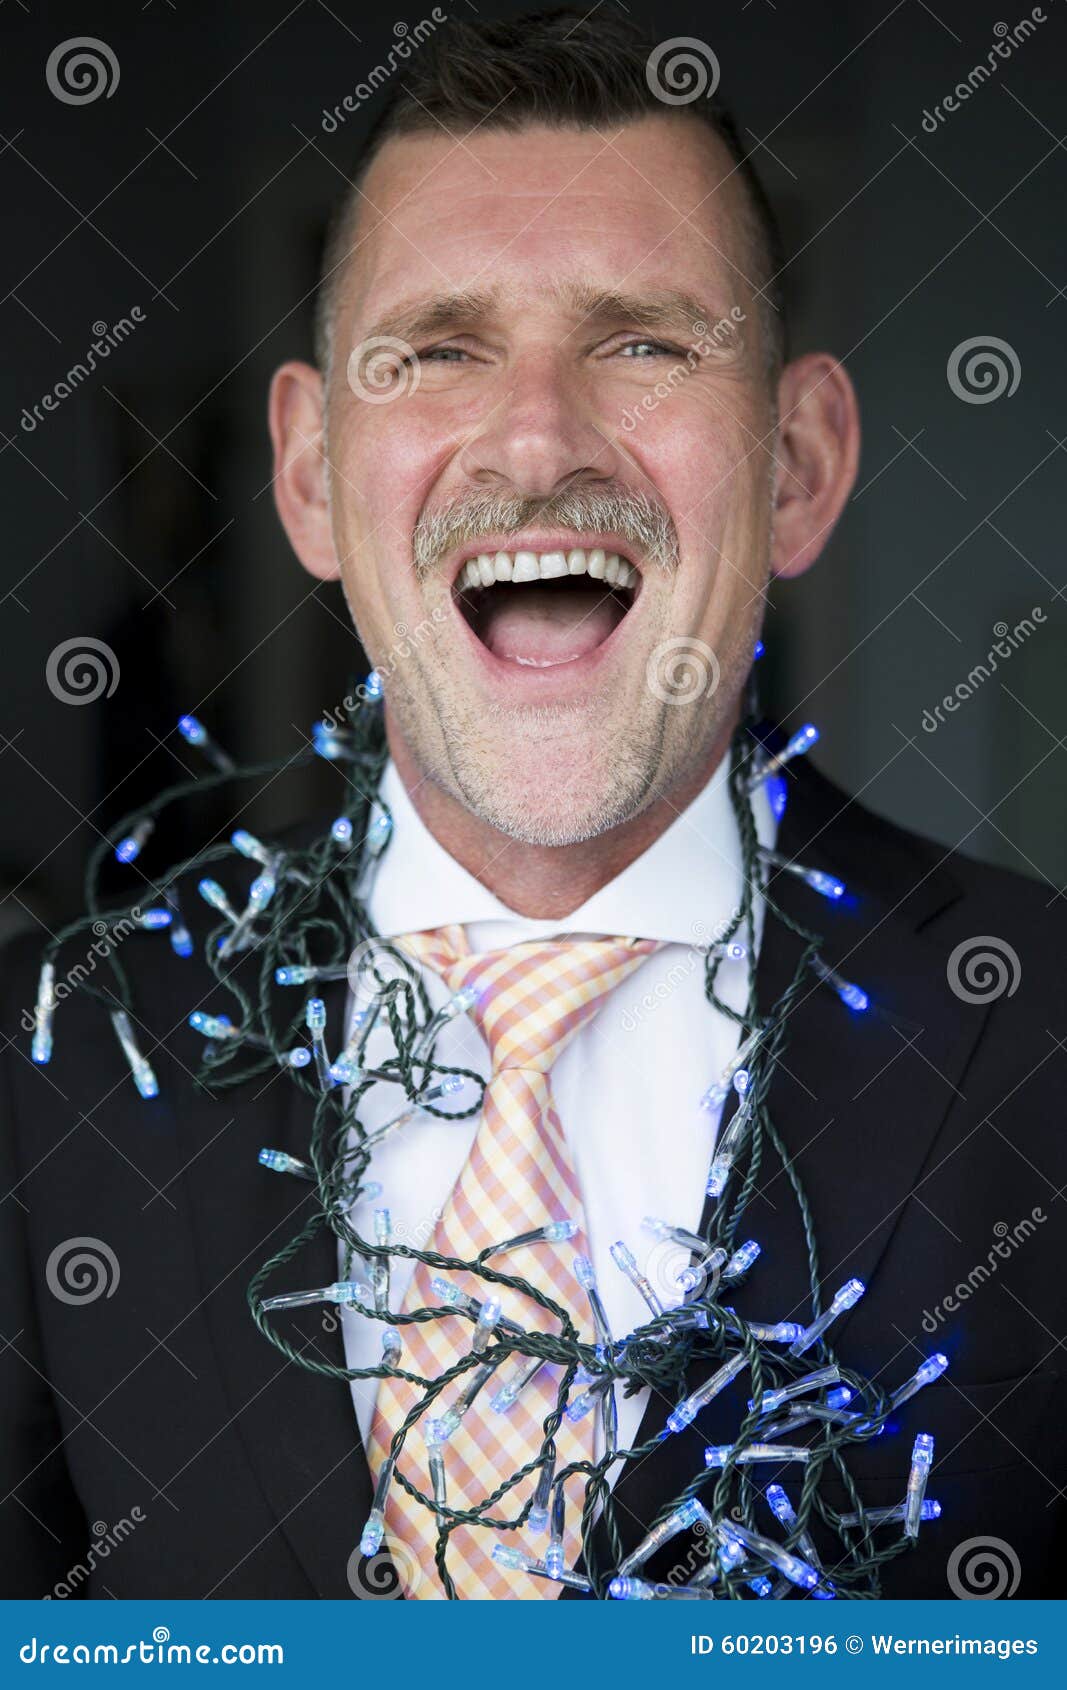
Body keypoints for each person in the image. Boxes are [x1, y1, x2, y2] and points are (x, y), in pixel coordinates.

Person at [2, 10, 1064, 1602]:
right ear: (307, 474)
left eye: (643, 341)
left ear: (797, 463)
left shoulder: (1042, 1027)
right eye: (437, 348)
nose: (537, 437)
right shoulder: (59, 1054)